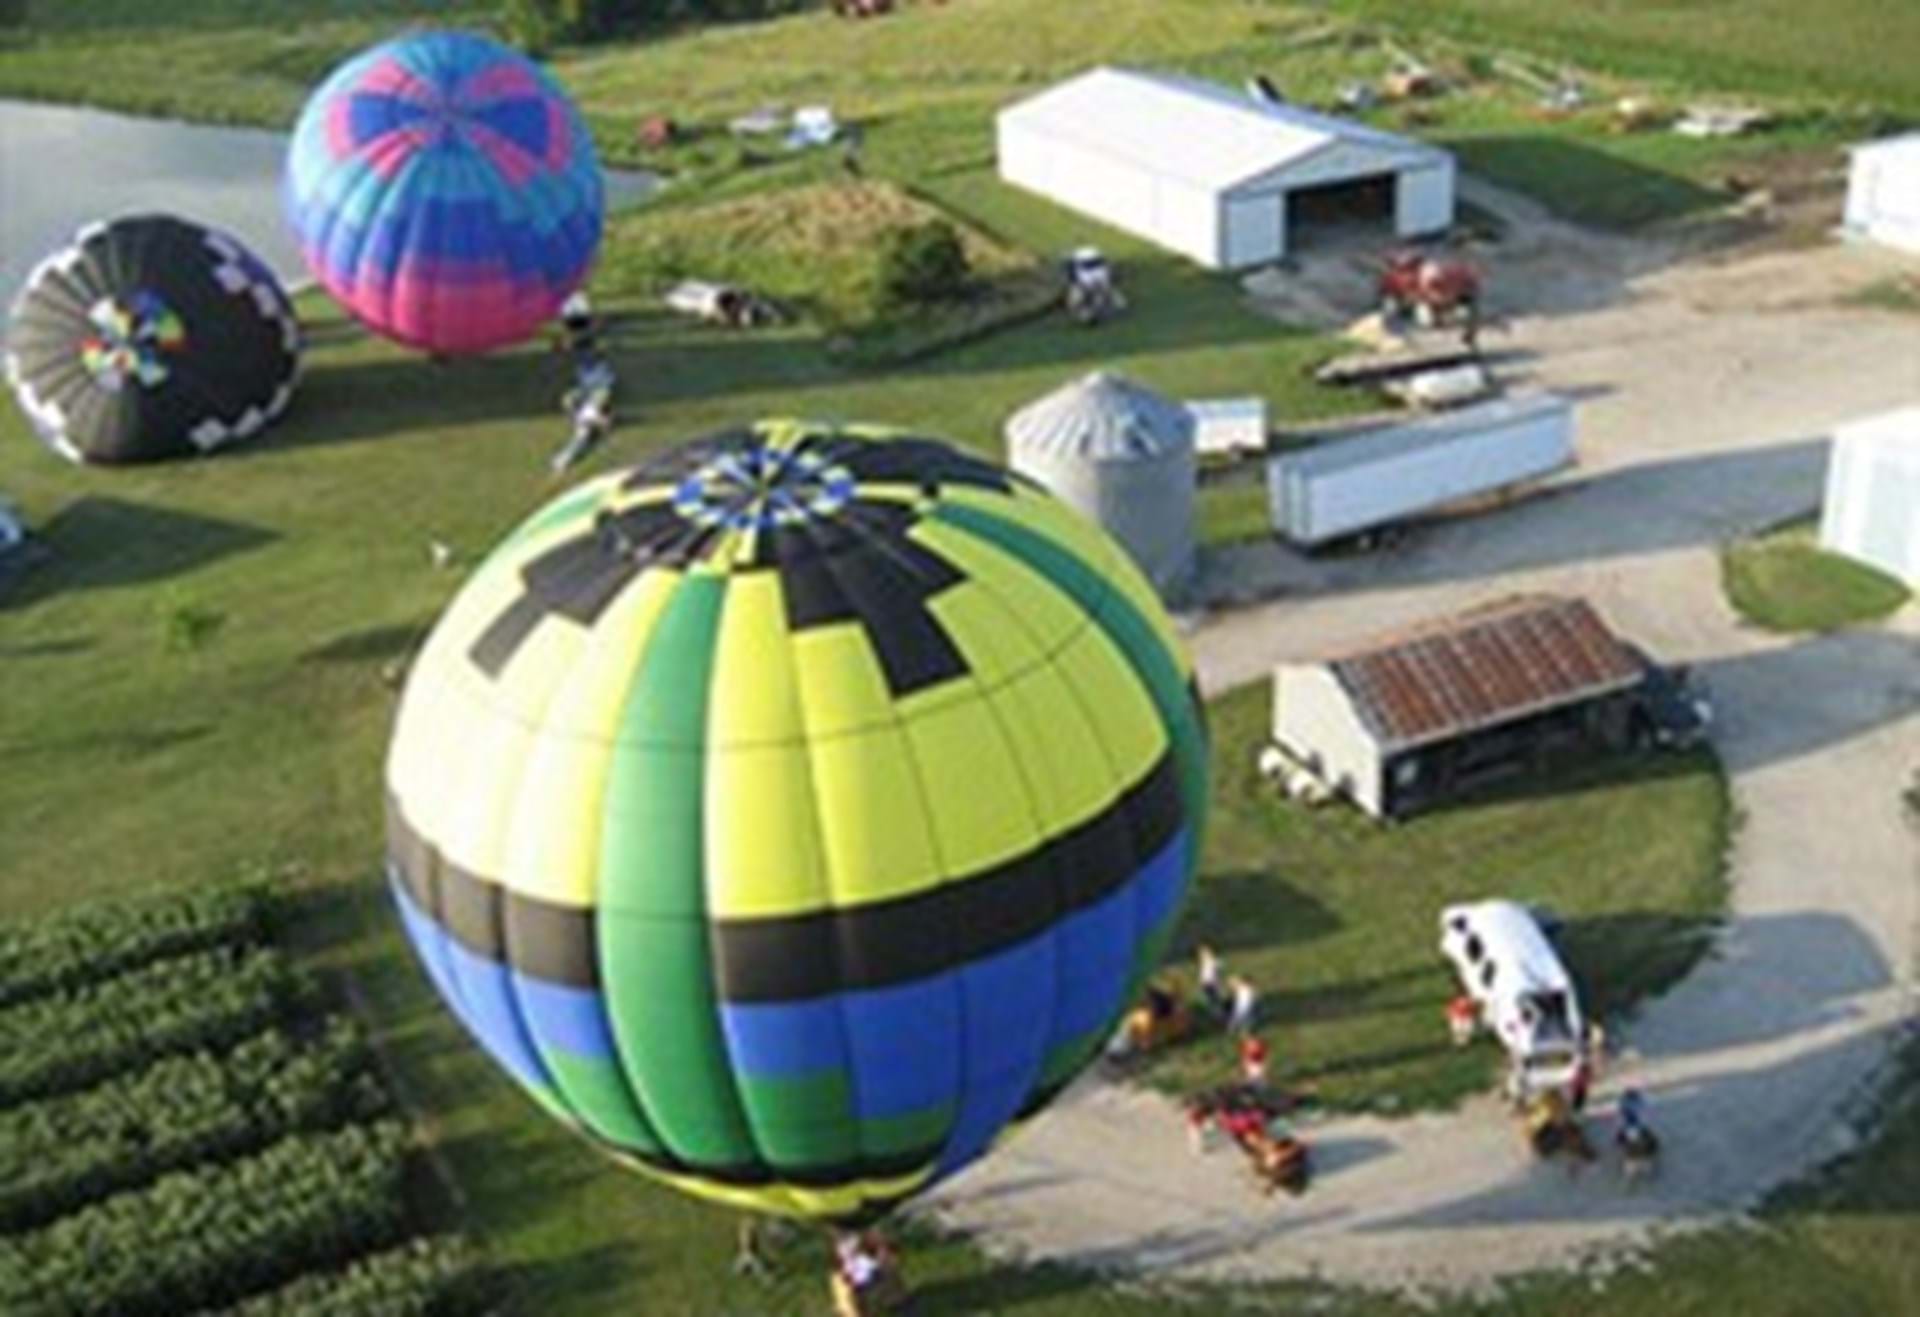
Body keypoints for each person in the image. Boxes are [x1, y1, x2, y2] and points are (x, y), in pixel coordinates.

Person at [1197, 944, 1225, 1016]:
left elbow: (1218, 973)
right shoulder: (1204, 963)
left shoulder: (1214, 961)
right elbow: (1203, 975)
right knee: (1209, 1001)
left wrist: (1218, 983)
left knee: (1215, 1001)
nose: (1201, 955)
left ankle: (1219, 1015)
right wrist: (1201, 983)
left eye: (1204, 953)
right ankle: (1215, 1015)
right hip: (1206, 984)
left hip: (1212, 983)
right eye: (1201, 953)